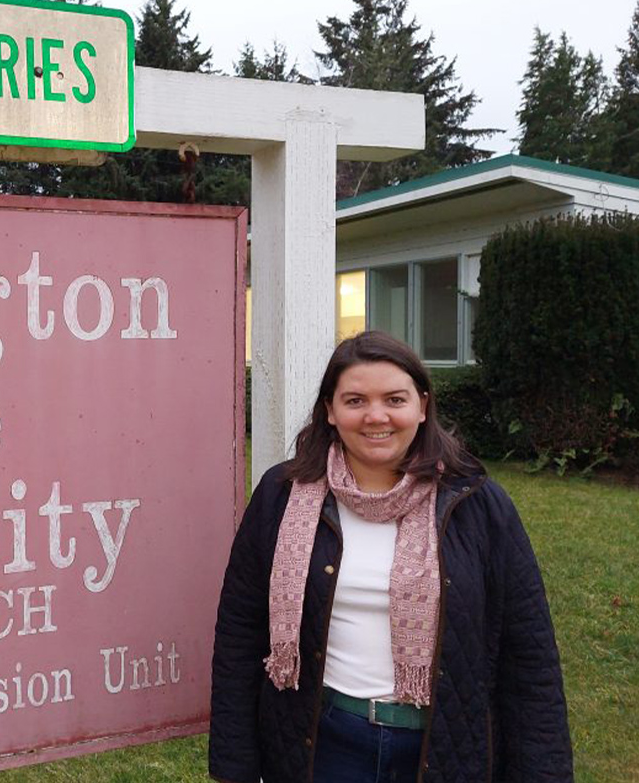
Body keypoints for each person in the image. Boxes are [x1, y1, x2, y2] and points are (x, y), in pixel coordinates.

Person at [209, 331, 572, 783]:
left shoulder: (477, 504)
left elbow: (528, 654)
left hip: (442, 748)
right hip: (325, 745)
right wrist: (235, 764)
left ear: (422, 406)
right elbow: (240, 633)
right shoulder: (282, 496)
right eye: (355, 400)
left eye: (395, 399)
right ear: (330, 410)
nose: (375, 416)